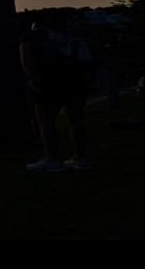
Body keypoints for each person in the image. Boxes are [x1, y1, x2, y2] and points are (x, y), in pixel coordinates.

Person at [19, 22, 94, 173]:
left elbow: (27, 62)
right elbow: (87, 61)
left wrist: (33, 80)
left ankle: (51, 159)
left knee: (46, 121)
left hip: (48, 85)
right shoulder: (76, 40)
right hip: (76, 84)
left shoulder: (32, 39)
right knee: (76, 119)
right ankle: (81, 158)